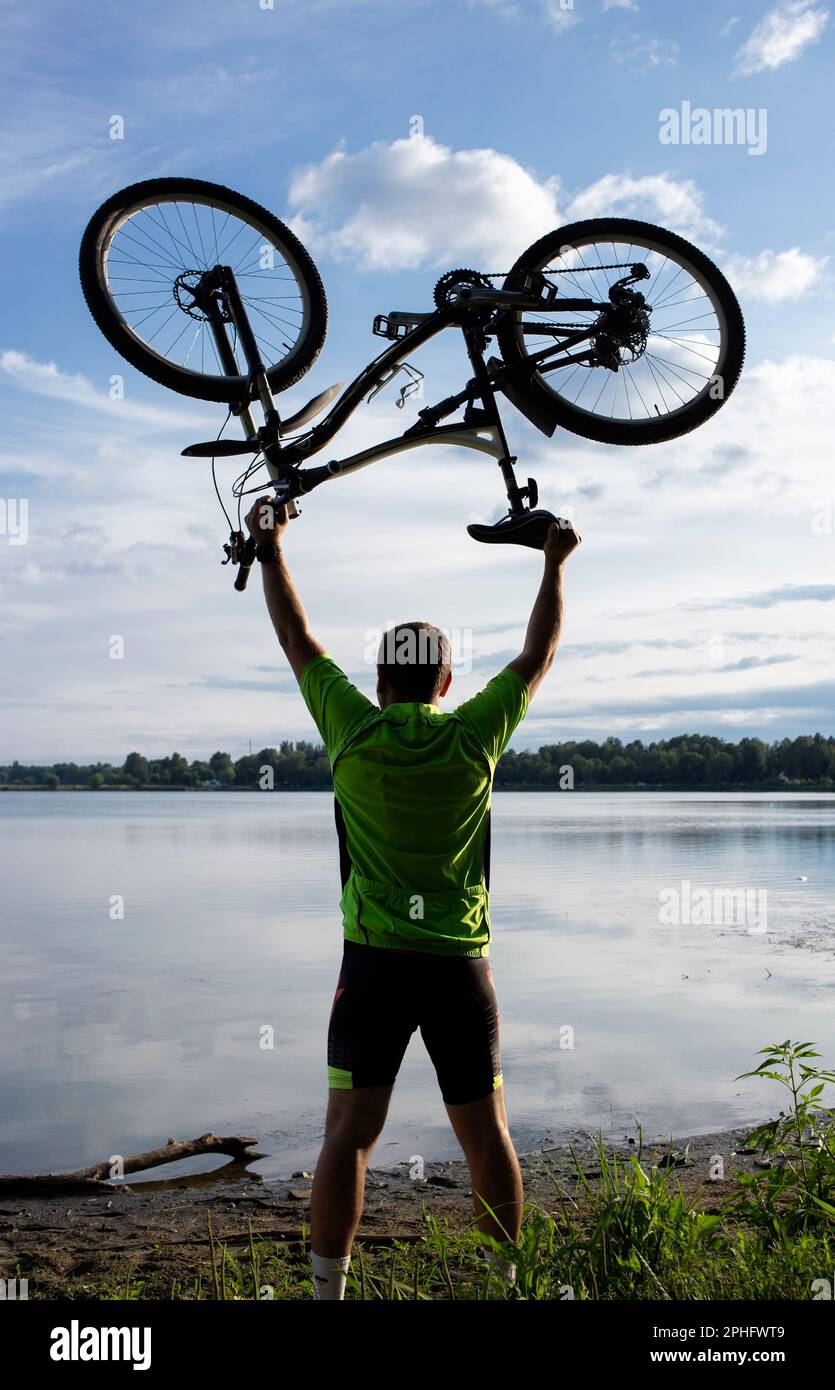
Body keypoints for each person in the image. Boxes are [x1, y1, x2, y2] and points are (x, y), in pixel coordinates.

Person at [245, 497, 581, 1299]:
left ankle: (328, 1294)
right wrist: (553, 564)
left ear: (377, 679)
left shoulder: (351, 731)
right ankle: (505, 1284)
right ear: (446, 680)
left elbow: (295, 638)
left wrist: (270, 549)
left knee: (348, 1138)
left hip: (372, 969)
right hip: (461, 967)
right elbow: (536, 656)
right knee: (485, 1134)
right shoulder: (473, 737)